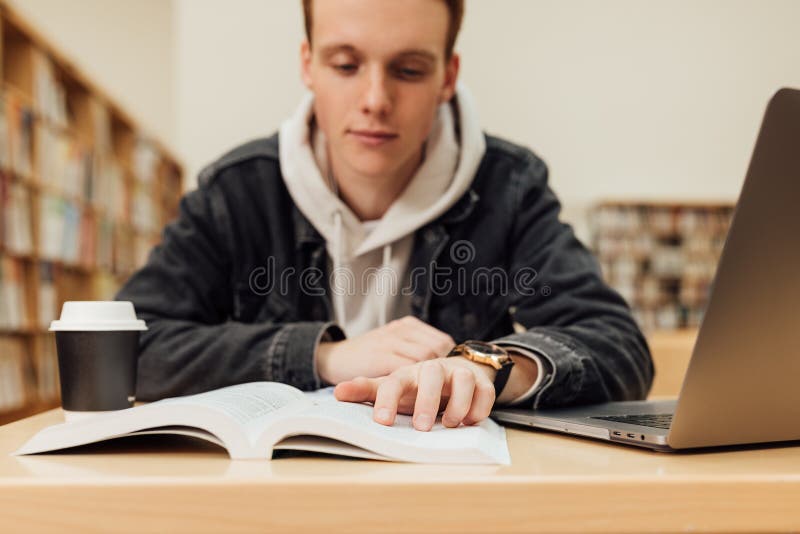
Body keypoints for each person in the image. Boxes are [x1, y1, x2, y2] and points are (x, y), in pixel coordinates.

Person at [116, 0, 653, 432]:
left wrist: (485, 367)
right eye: (345, 65)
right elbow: (126, 348)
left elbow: (618, 343)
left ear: (448, 76)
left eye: (410, 70)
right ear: (308, 65)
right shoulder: (236, 192)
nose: (375, 99)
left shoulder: (508, 186)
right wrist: (325, 357)